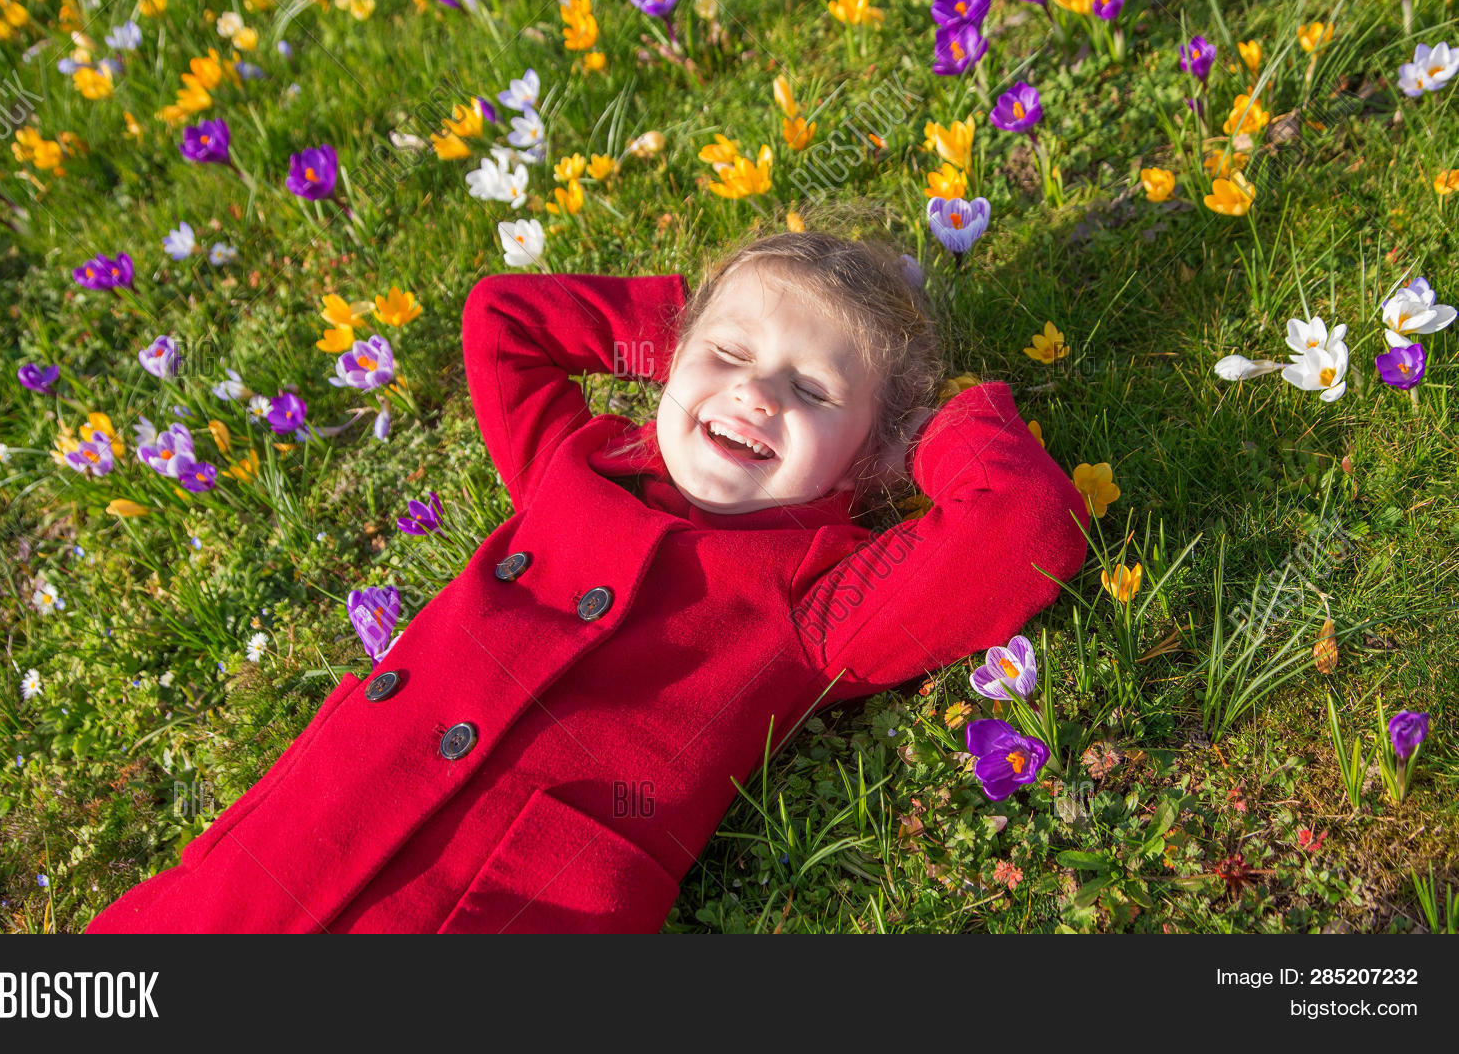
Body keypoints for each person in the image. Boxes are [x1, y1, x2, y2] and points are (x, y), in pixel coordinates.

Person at [87, 227, 1088, 933]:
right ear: (669, 363)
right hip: (274, 867)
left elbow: (1025, 524)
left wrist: (934, 429)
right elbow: (504, 318)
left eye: (811, 390)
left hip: (489, 912)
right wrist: (671, 327)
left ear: (863, 460)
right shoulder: (573, 463)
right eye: (727, 353)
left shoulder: (815, 602)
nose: (752, 391)